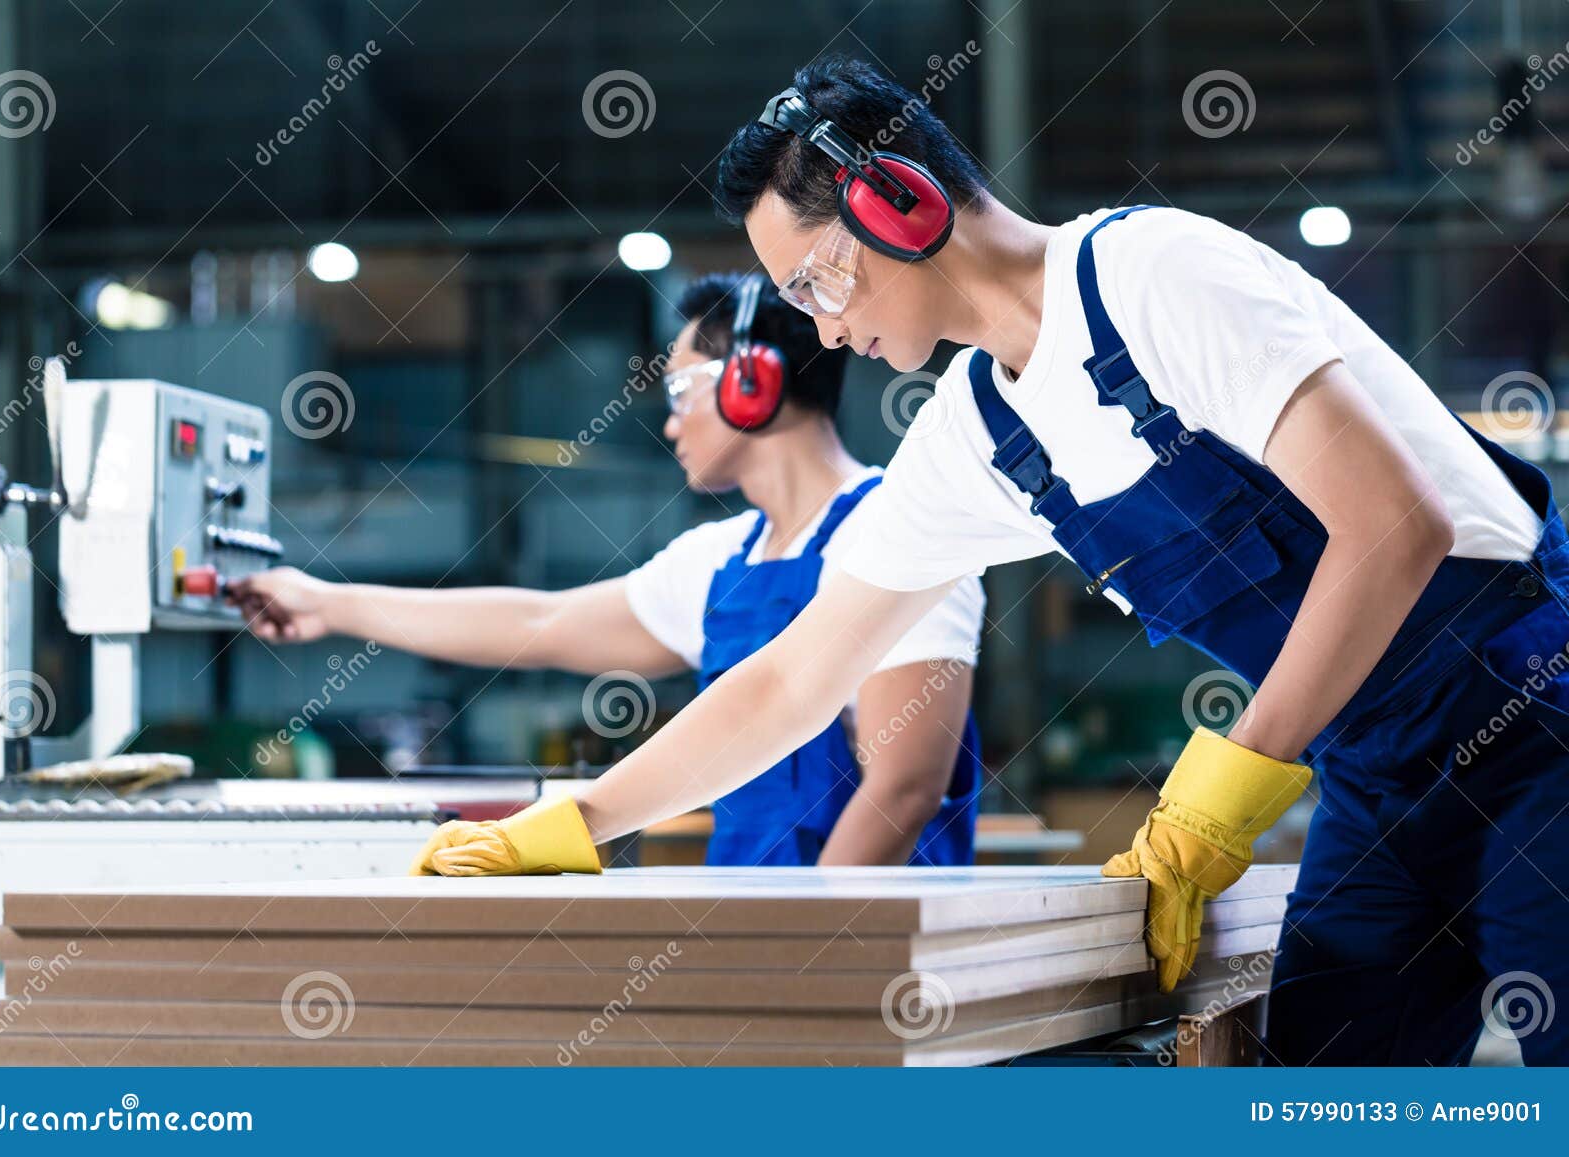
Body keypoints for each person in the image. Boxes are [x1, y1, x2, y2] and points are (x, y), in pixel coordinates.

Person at [416, 56, 1569, 1067]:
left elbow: (1391, 530)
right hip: (1374, 771)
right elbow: (792, 676)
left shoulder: (1152, 278)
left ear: (901, 204)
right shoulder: (979, 434)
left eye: (813, 281)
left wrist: (1215, 802)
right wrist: (582, 818)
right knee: (1318, 1098)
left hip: (1534, 711)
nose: (817, 329)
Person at [232, 270, 985, 868]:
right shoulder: (722, 560)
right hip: (755, 931)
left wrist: (809, 958)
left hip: (874, 959)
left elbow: (904, 785)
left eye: (682, 392)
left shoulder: (901, 534)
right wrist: (331, 604)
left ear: (752, 381)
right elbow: (540, 622)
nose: (668, 423)